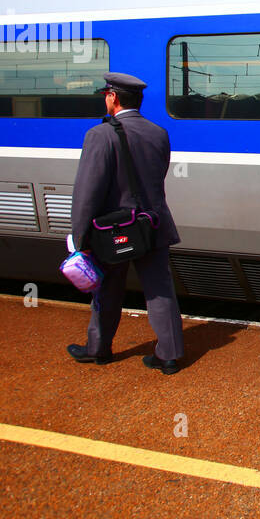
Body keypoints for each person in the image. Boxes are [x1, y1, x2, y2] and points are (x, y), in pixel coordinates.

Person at [67, 72, 185, 374]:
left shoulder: (99, 135)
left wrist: (79, 238)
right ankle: (169, 355)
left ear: (113, 97)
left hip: (112, 231)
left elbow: (87, 192)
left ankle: (99, 349)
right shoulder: (158, 132)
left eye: (105, 95)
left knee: (106, 289)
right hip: (151, 225)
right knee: (160, 290)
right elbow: (157, 177)